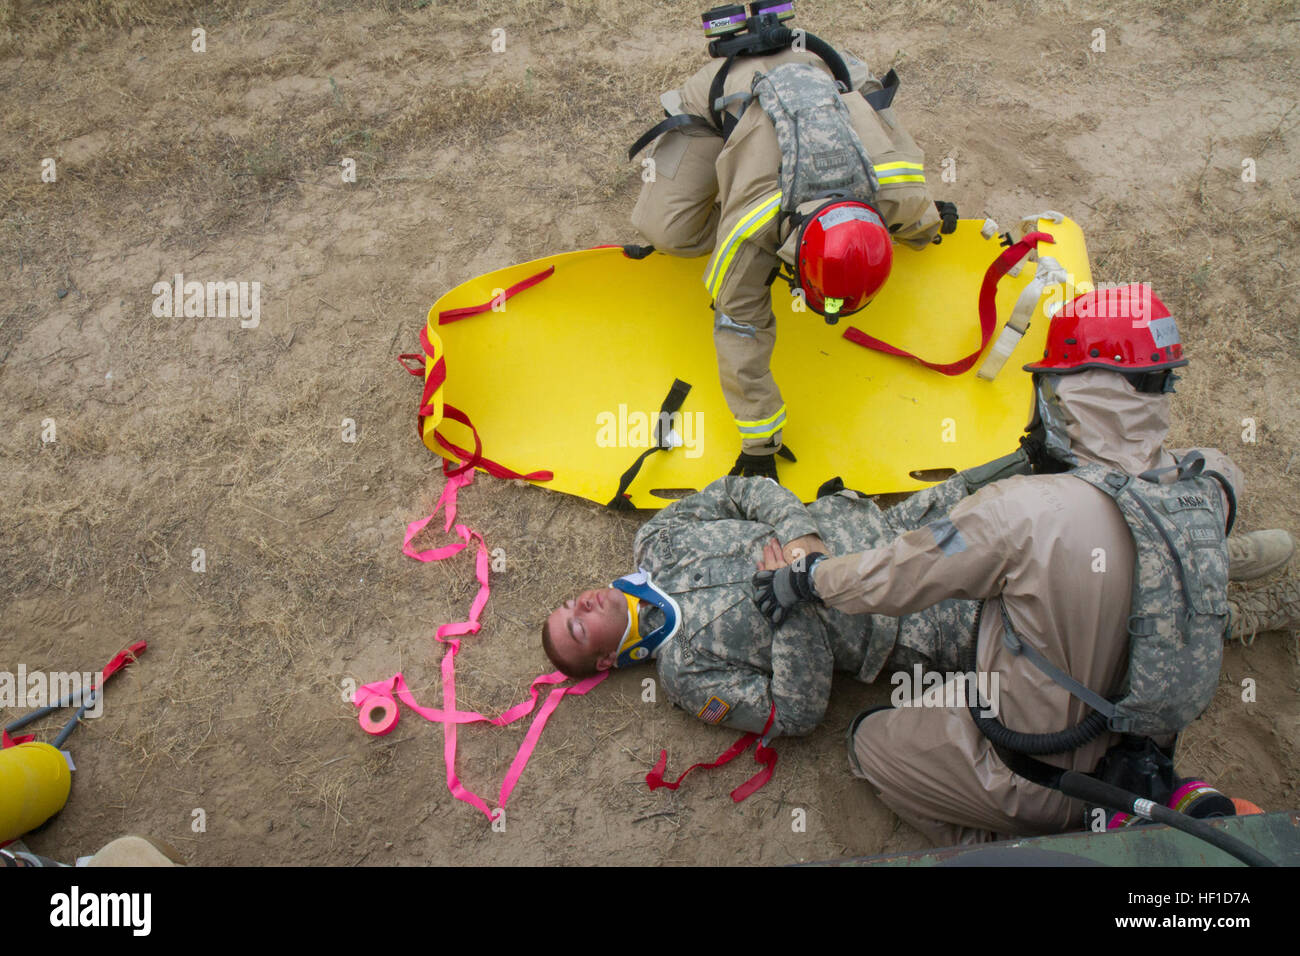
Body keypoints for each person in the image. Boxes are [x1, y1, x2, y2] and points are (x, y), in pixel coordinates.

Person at [751, 283, 1300, 844]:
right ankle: (1230, 576)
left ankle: (1000, 849)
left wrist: (807, 577)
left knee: (869, 738)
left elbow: (894, 577)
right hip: (1139, 755)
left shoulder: (1018, 513)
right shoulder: (1200, 492)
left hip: (1038, 775)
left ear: (1074, 395)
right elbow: (1223, 471)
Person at [628, 8, 950, 481]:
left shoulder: (897, 192)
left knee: (875, 120)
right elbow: (739, 330)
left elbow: (917, 213)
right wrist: (759, 447)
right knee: (669, 230)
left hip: (823, 70)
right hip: (728, 89)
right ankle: (728, 142)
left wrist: (932, 226)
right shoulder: (751, 230)